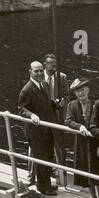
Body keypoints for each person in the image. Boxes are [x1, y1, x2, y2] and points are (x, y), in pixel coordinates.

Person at [17, 60, 59, 195]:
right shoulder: (27, 89)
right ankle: (43, 187)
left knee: (48, 156)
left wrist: (56, 104)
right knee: (40, 158)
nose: (40, 73)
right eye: (37, 71)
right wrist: (32, 115)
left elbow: (47, 101)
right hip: (35, 131)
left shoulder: (44, 85)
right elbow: (22, 109)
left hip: (47, 129)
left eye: (41, 70)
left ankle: (46, 183)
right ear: (30, 72)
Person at [64, 77, 99, 198]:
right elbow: (68, 121)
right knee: (86, 171)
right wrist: (79, 126)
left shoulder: (95, 105)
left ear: (87, 90)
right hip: (81, 144)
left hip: (94, 143)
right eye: (77, 92)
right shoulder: (72, 105)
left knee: (97, 171)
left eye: (82, 90)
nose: (80, 94)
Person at [42, 54, 70, 186]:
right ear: (45, 64)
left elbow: (66, 96)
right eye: (50, 64)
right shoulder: (39, 76)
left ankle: (61, 176)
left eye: (55, 65)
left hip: (57, 116)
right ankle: (36, 175)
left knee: (59, 147)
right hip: (43, 117)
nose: (53, 67)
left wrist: (62, 103)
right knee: (41, 146)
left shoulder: (62, 77)